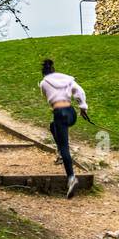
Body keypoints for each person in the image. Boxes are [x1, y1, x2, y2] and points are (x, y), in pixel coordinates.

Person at [39, 58, 90, 198]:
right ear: (54, 70)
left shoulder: (43, 83)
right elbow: (79, 91)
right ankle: (61, 153)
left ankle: (71, 178)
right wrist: (83, 107)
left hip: (59, 113)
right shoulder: (67, 80)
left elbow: (48, 98)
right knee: (52, 126)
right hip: (71, 113)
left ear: (44, 74)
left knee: (64, 146)